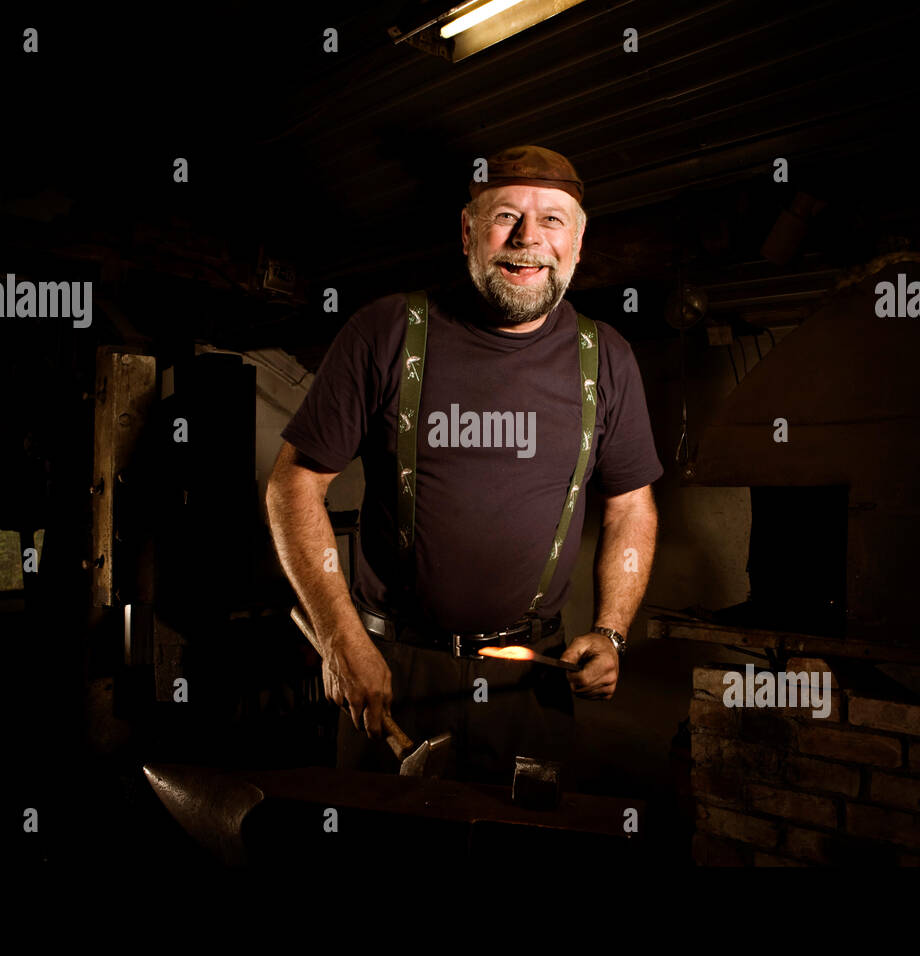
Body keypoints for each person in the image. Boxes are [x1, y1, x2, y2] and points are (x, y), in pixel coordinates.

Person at [266, 145, 662, 785]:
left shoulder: (607, 357)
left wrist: (613, 631)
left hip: (532, 679)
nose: (528, 238)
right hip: (390, 667)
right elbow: (293, 485)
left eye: (553, 220)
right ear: (468, 231)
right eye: (506, 215)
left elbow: (631, 504)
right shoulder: (388, 330)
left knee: (518, 856)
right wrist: (341, 640)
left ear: (579, 242)